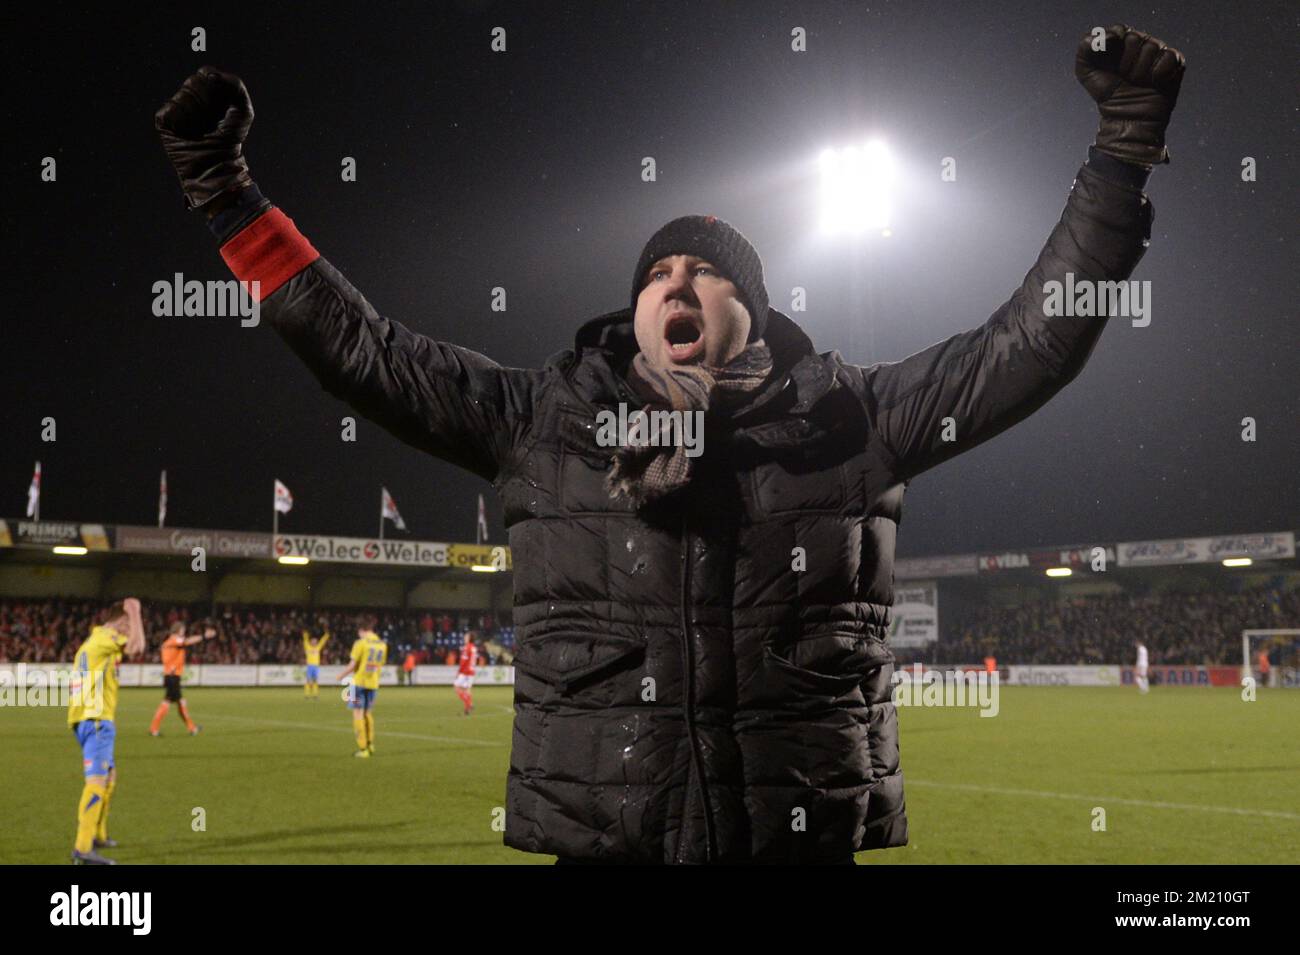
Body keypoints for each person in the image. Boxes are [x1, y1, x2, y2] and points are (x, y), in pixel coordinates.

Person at [156, 25, 1185, 863]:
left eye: (707, 270)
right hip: (604, 842)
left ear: (755, 310)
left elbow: (1030, 347)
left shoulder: (851, 420)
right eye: (657, 274)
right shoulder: (542, 418)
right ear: (635, 310)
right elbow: (361, 353)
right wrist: (224, 192)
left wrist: (1122, 152)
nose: (677, 283)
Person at [68, 598, 146, 864]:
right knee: (97, 782)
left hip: (88, 718)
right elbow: (137, 647)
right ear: (119, 621)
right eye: (127, 625)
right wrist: (135, 613)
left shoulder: (95, 643)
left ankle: (98, 835)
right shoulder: (105, 637)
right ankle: (82, 848)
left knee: (110, 776)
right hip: (97, 720)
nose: (129, 631)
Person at [149, 621, 216, 735]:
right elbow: (187, 641)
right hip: (173, 676)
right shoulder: (175, 640)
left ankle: (191, 728)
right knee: (176, 701)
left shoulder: (168, 642)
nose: (183, 633)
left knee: (174, 701)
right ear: (178, 630)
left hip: (171, 676)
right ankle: (155, 729)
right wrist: (204, 636)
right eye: (183, 630)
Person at [338, 619, 387, 757]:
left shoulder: (360, 643)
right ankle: (370, 744)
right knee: (367, 713)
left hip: (357, 683)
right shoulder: (382, 644)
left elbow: (353, 665)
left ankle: (362, 748)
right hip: (373, 683)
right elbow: (379, 665)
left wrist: (340, 676)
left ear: (361, 631)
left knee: (357, 714)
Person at [302, 627, 330, 698]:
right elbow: (305, 640)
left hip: (316, 666)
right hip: (309, 666)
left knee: (315, 681)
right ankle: (307, 695)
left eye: (315, 641)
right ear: (311, 641)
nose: (314, 642)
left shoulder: (318, 647)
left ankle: (315, 695)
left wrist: (326, 634)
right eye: (313, 641)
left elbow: (323, 641)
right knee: (308, 681)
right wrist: (305, 633)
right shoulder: (308, 646)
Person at [455, 633, 477, 716]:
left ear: (469, 638)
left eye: (466, 636)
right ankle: (467, 709)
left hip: (465, 672)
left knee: (456, 687)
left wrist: (459, 672)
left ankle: (469, 704)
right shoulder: (473, 648)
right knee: (467, 690)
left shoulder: (467, 647)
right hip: (471, 671)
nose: (464, 637)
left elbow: (463, 661)